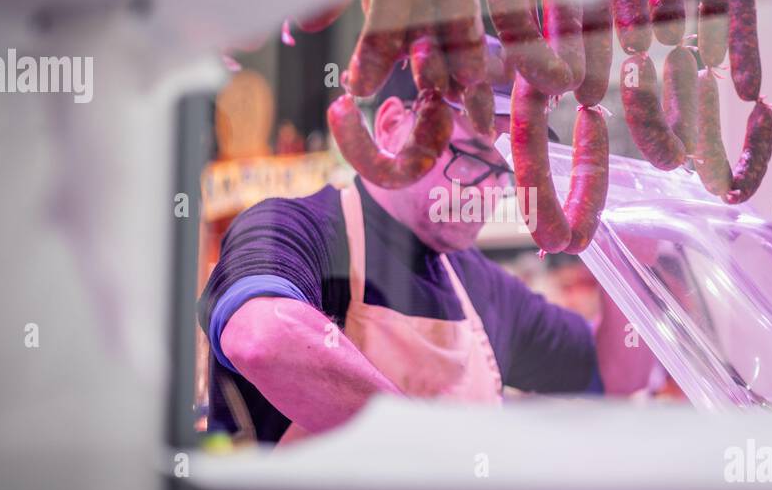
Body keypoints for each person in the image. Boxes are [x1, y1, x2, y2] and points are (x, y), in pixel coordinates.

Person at [198, 47, 655, 444]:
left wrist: (637, 253)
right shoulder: (296, 227)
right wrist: (422, 449)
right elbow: (262, 337)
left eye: (507, 169)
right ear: (393, 124)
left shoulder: (479, 286)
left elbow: (616, 375)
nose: (486, 192)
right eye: (471, 157)